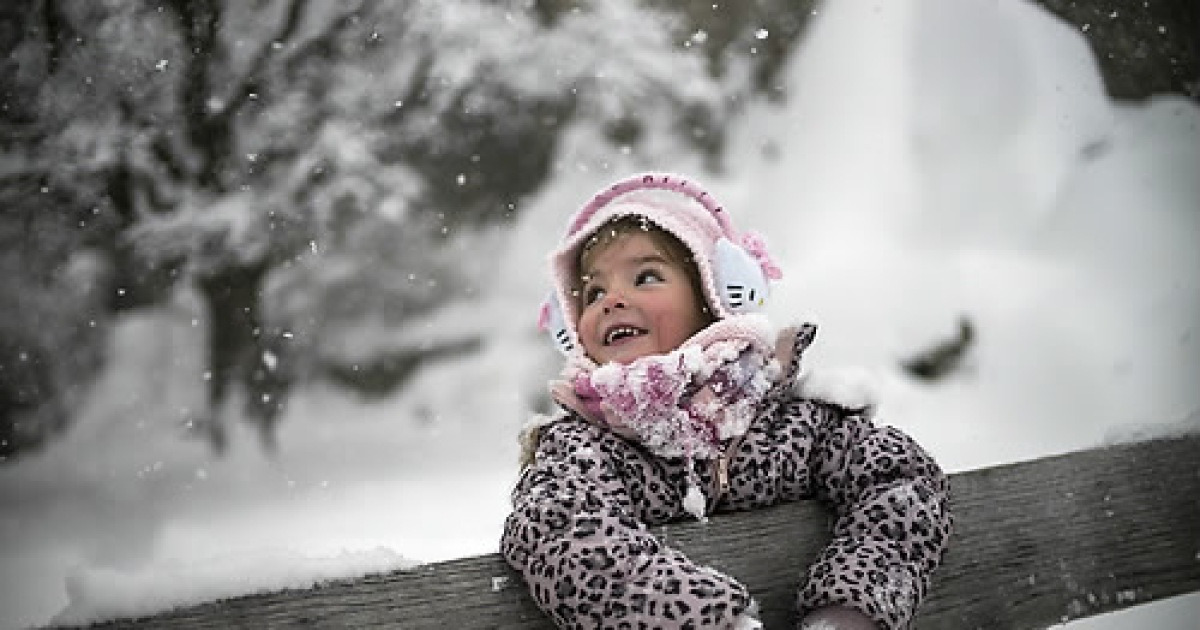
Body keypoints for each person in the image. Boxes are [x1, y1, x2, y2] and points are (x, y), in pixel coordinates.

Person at [501, 173, 951, 629]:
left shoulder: (787, 424)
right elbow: (563, 537)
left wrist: (850, 611)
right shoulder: (584, 448)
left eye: (646, 276)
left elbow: (902, 480)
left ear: (716, 296)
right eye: (593, 292)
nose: (612, 300)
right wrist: (709, 620)